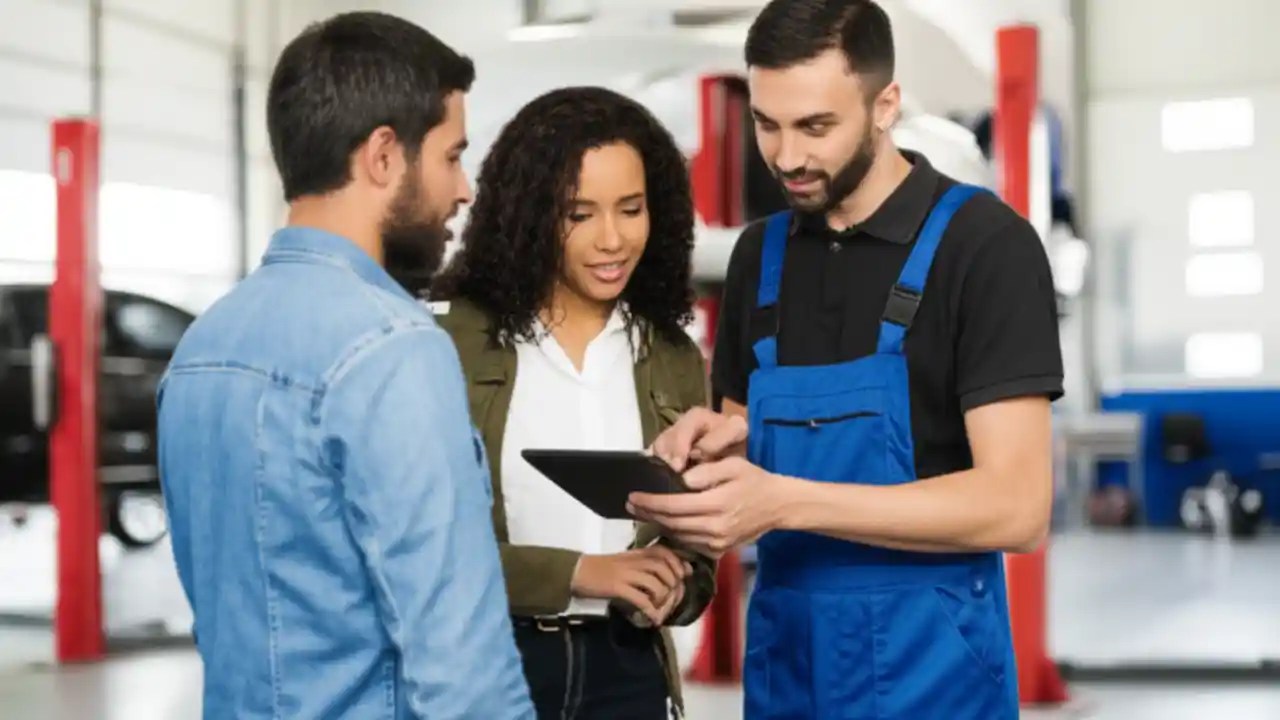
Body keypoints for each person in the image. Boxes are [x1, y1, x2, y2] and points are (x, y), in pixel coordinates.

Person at [628, 2, 1064, 719]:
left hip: (935, 676)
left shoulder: (985, 247)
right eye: (768, 125)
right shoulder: (757, 257)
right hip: (788, 672)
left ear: (885, 104)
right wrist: (717, 448)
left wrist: (786, 499)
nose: (788, 157)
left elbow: (1016, 508)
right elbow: (748, 448)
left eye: (816, 127)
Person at [156, 13, 533, 719]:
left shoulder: (201, 350)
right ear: (383, 155)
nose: (464, 190)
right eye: (452, 156)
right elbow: (462, 670)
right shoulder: (393, 348)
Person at [427, 86, 717, 720]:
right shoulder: (449, 340)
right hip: (493, 662)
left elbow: (695, 544)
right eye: (578, 214)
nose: (612, 240)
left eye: (631, 209)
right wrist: (575, 573)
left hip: (628, 667)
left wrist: (678, 584)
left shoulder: (672, 355)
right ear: (530, 215)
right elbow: (423, 546)